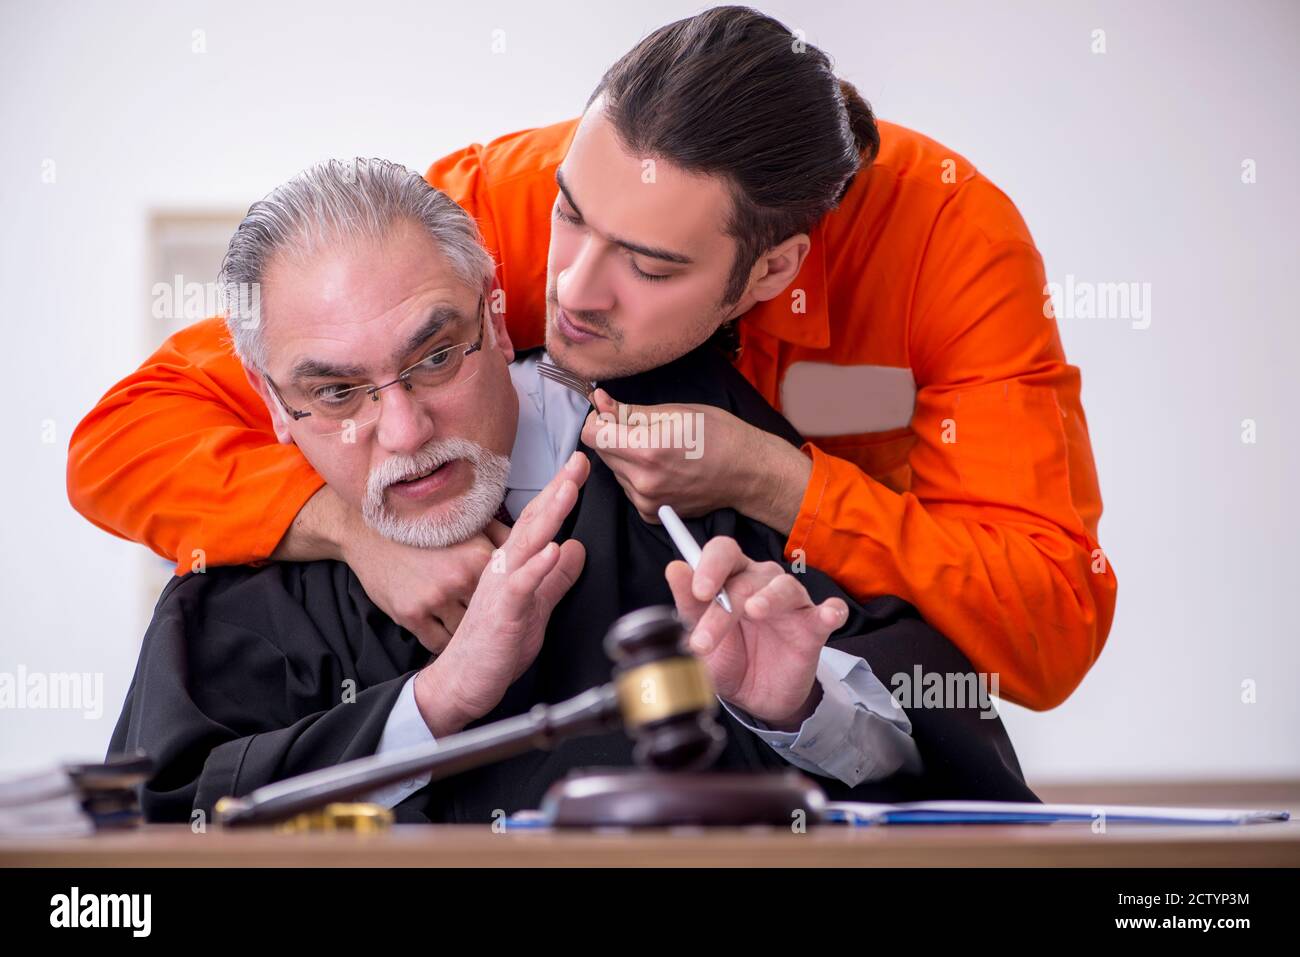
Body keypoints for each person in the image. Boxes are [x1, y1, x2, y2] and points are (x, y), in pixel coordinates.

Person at [70, 7, 1115, 711]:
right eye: (573, 216)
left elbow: (1048, 627)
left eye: (649, 265)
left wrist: (772, 477)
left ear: (772, 269)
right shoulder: (507, 204)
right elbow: (122, 435)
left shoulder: (949, 247)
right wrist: (351, 532)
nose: (569, 287)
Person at [109, 159, 1034, 822]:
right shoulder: (236, 592)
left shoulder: (696, 464)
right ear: (272, 406)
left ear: (498, 320)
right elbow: (138, 857)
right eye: (335, 392)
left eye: (437, 356)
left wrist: (800, 711)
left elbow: (956, 785)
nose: (403, 431)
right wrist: (433, 706)